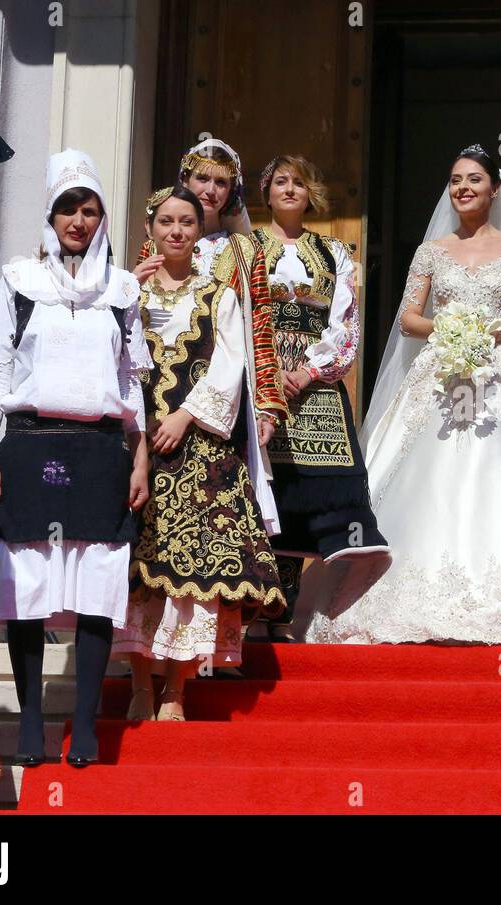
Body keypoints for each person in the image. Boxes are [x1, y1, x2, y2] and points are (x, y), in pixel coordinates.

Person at [298, 146, 501, 645]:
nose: (464, 189)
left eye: (475, 180)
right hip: (440, 371)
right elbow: (409, 317)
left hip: (499, 374)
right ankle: (388, 595)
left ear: (494, 189)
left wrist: (486, 332)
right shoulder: (432, 251)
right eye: (456, 180)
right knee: (417, 470)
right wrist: (449, 328)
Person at [0, 150, 151, 768]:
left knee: (99, 582)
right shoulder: (20, 279)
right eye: (69, 208)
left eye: (91, 210)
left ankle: (85, 723)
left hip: (99, 446)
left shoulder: (122, 288)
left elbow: (131, 385)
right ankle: (27, 726)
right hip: (30, 442)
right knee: (28, 584)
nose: (80, 220)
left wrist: (141, 458)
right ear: (51, 214)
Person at [115, 185, 286, 717]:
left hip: (200, 453)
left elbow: (228, 365)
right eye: (166, 221)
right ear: (149, 230)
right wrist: (119, 299)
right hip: (134, 446)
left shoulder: (220, 295)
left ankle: (176, 690)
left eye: (187, 222)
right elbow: (105, 363)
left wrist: (186, 415)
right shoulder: (124, 294)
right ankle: (142, 684)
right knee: (136, 572)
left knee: (196, 572)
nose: (176, 231)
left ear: (200, 231)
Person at [250, 155, 389, 640]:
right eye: (281, 181)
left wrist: (307, 371)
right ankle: (264, 608)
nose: (290, 190)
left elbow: (345, 326)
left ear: (311, 195)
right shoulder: (242, 250)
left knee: (324, 490)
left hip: (317, 390)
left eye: (300, 183)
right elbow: (232, 317)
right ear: (266, 191)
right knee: (270, 492)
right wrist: (265, 371)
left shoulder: (334, 253)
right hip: (259, 385)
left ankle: (304, 612)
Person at [136, 139, 287, 551]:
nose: (210, 189)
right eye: (201, 178)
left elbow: (258, 325)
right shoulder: (159, 241)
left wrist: (268, 401)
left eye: (221, 182)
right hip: (158, 387)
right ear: (184, 178)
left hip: (220, 390)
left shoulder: (244, 248)